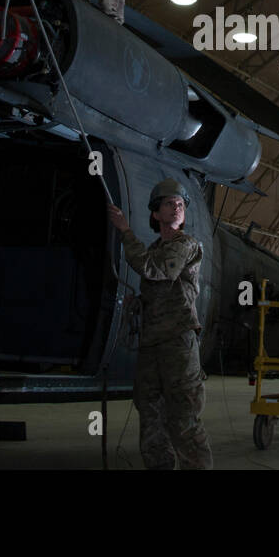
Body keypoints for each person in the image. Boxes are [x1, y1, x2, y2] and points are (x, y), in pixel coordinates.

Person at [105, 178, 213, 469]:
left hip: (178, 342)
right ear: (156, 213)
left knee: (183, 417)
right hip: (152, 343)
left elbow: (154, 270)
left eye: (180, 204)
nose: (177, 207)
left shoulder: (186, 245)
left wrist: (125, 230)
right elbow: (159, 287)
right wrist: (139, 303)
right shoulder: (156, 247)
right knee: (150, 417)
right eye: (169, 203)